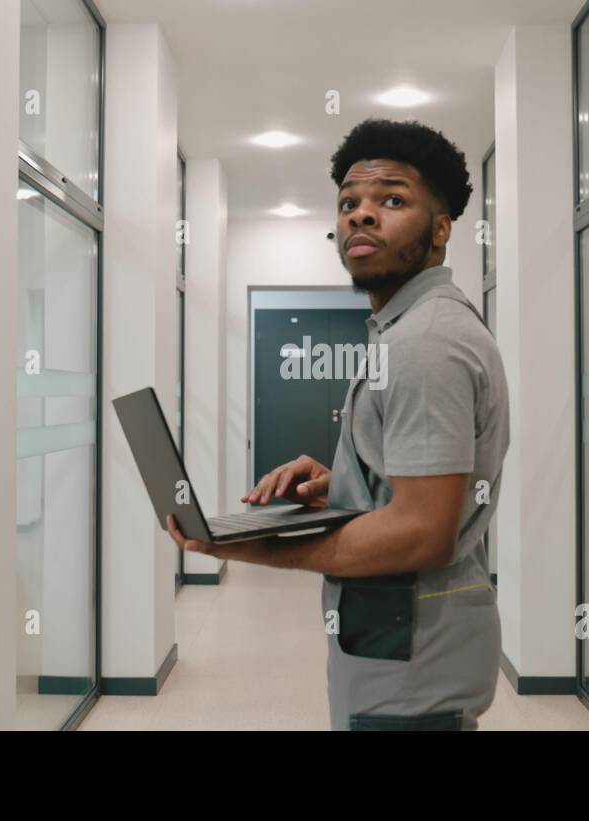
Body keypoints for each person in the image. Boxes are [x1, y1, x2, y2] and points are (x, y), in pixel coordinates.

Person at [167, 118, 510, 731]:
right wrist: (348, 485)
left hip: (413, 671)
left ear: (441, 229)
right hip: (399, 654)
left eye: (392, 200)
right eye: (350, 202)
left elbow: (421, 534)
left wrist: (250, 544)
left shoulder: (424, 342)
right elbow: (421, 496)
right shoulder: (403, 330)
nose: (362, 215)